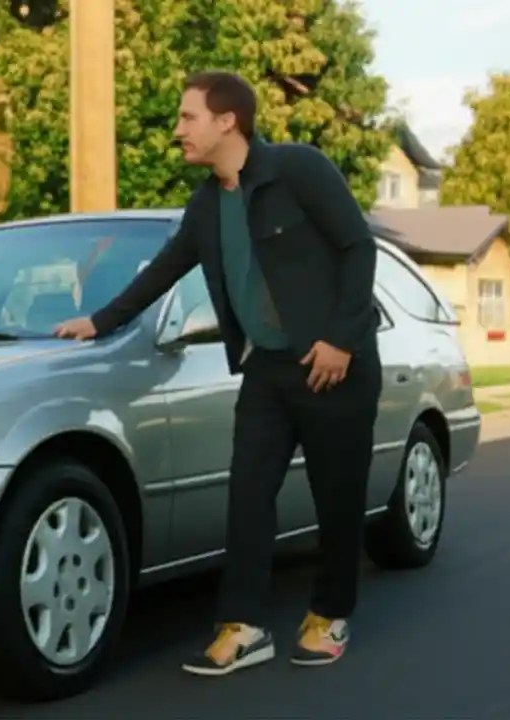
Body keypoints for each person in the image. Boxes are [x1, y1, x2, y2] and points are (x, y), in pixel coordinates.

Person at [54, 70, 382, 675]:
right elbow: (163, 270)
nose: (177, 130)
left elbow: (359, 248)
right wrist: (99, 321)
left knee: (337, 498)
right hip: (266, 374)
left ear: (227, 121)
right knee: (248, 497)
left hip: (332, 369)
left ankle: (330, 613)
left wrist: (342, 340)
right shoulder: (206, 205)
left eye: (187, 117)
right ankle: (245, 624)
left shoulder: (299, 170)